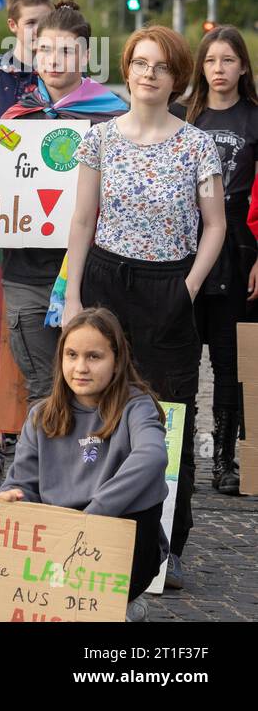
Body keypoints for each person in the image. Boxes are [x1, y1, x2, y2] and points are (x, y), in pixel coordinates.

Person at [64, 25, 224, 591]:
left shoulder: (197, 145)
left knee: (168, 417)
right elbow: (82, 221)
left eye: (160, 66)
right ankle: (90, 534)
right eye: (139, 62)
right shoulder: (99, 140)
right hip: (105, 280)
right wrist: (75, 296)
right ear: (126, 70)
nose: (148, 74)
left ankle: (166, 548)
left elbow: (215, 226)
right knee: (95, 411)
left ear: (177, 77)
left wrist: (186, 289)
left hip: (169, 289)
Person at [0, 0, 127, 409]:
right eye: (45, 50)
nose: (54, 60)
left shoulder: (113, 120)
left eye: (66, 51)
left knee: (95, 388)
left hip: (93, 273)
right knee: (43, 388)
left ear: (86, 56)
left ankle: (95, 468)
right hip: (26, 274)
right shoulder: (14, 121)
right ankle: (48, 473)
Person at [0, 307, 170, 621]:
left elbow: (153, 456)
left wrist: (94, 513)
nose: (80, 367)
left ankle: (118, 601)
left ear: (117, 361)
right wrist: (10, 496)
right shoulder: (40, 415)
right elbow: (20, 482)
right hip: (58, 544)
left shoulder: (136, 405)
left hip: (117, 537)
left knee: (145, 489)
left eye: (94, 357)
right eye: (72, 355)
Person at [173, 25, 258, 495]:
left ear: (243, 66)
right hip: (185, 251)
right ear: (200, 67)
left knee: (231, 364)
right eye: (211, 60)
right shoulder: (181, 115)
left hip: (238, 254)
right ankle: (179, 457)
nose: (219, 69)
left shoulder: (255, 119)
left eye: (229, 60)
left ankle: (225, 460)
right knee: (181, 359)